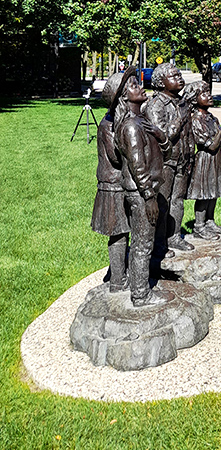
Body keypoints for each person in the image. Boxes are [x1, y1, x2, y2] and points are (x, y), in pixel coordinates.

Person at [113, 68, 170, 306]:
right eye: (134, 86)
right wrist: (148, 197)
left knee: (143, 242)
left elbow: (165, 150)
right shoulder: (131, 127)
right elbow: (138, 166)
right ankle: (140, 294)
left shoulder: (142, 121)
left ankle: (141, 289)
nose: (141, 86)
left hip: (147, 191)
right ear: (124, 97)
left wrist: (161, 136)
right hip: (140, 193)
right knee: (142, 244)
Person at [145, 63, 195, 253]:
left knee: (178, 200)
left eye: (179, 75)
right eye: (173, 76)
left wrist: (190, 154)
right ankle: (158, 242)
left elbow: (188, 132)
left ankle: (174, 237)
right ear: (161, 82)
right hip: (164, 161)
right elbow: (163, 135)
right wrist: (180, 119)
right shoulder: (156, 105)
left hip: (182, 159)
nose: (179, 79)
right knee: (162, 202)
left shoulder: (182, 102)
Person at [91, 74, 130, 291]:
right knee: (118, 232)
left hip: (120, 182)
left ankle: (122, 272)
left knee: (124, 230)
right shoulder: (109, 125)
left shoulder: (119, 121)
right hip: (112, 184)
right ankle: (117, 280)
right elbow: (116, 157)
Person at [184, 80, 221, 239]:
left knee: (214, 191)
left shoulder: (211, 117)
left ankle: (210, 221)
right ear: (194, 99)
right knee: (204, 193)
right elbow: (209, 145)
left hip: (216, 159)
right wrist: (219, 134)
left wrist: (216, 136)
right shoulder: (196, 120)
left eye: (209, 93)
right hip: (204, 160)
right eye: (204, 94)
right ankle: (199, 226)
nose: (209, 96)